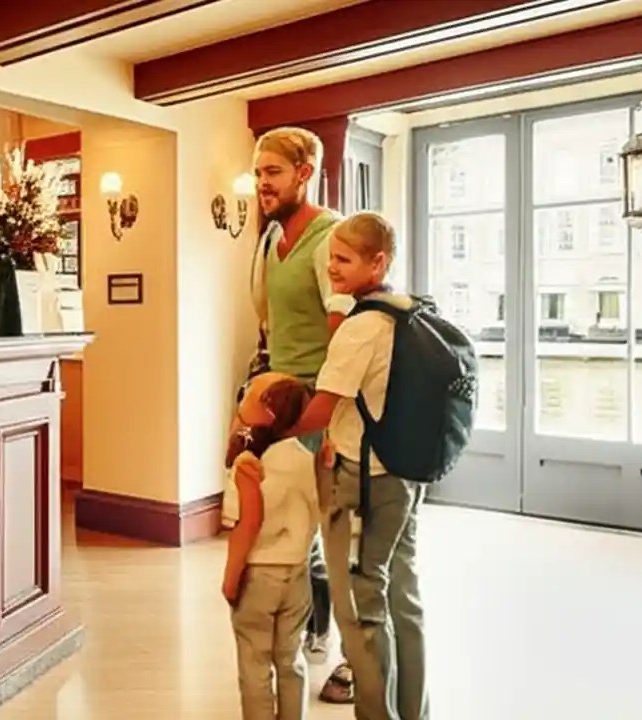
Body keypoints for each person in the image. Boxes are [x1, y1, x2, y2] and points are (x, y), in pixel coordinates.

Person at [229, 125, 357, 703]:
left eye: (273, 172)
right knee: (294, 532)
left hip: (321, 409)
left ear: (305, 173)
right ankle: (308, 631)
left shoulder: (329, 237)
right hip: (281, 406)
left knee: (333, 532)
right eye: (258, 173)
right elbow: (269, 323)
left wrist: (323, 416)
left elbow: (341, 329)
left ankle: (348, 656)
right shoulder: (270, 239)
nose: (262, 183)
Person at [287, 212, 430, 720]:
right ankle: (413, 711)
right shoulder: (408, 311)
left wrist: (267, 433)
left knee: (360, 608)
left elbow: (322, 407)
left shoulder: (360, 327)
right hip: (405, 474)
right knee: (404, 599)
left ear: (378, 262)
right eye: (330, 259)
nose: (332, 269)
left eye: (343, 260)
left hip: (363, 480)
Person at [223, 371, 321, 720]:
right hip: (298, 573)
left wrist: (230, 579)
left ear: (266, 410)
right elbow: (321, 510)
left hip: (258, 576)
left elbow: (247, 525)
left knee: (255, 663)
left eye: (249, 394)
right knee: (290, 658)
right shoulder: (308, 461)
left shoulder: (250, 466)